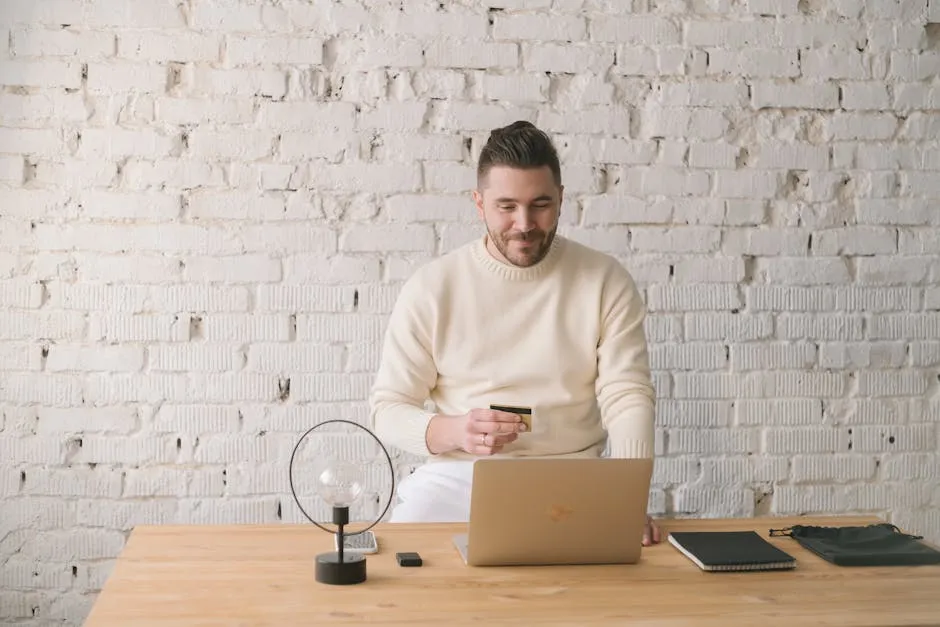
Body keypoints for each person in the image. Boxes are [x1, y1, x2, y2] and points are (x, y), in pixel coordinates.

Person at [369, 120, 661, 545]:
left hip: (574, 475)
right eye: (506, 206)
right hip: (460, 476)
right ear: (479, 203)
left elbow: (627, 395)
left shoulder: (604, 280)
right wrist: (455, 430)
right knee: (407, 567)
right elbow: (389, 409)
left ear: (561, 199)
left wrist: (630, 498)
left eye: (540, 204)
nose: (524, 224)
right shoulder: (433, 287)